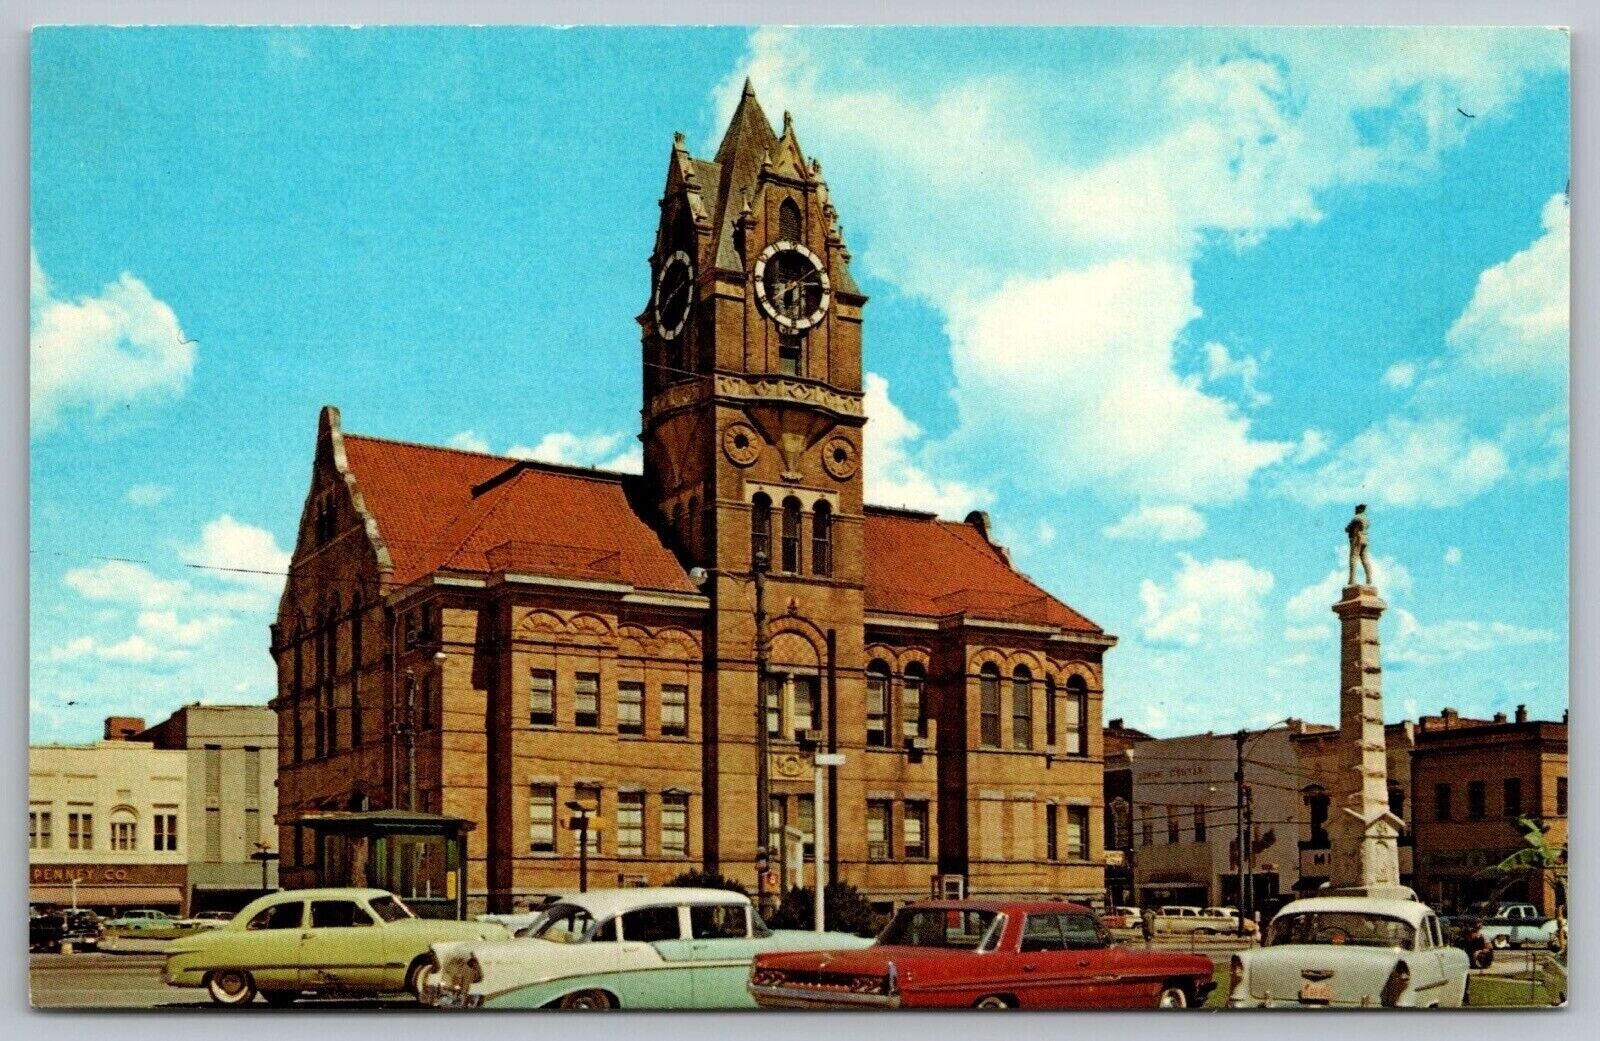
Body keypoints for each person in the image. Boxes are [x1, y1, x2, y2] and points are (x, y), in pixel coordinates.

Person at [1346, 504, 1374, 586]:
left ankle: (1352, 580)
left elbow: (1347, 528)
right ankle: (1369, 579)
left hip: (1357, 538)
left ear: (1359, 509)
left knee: (1353, 559)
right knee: (1365, 559)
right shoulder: (1366, 519)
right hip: (1365, 540)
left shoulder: (1356, 518)